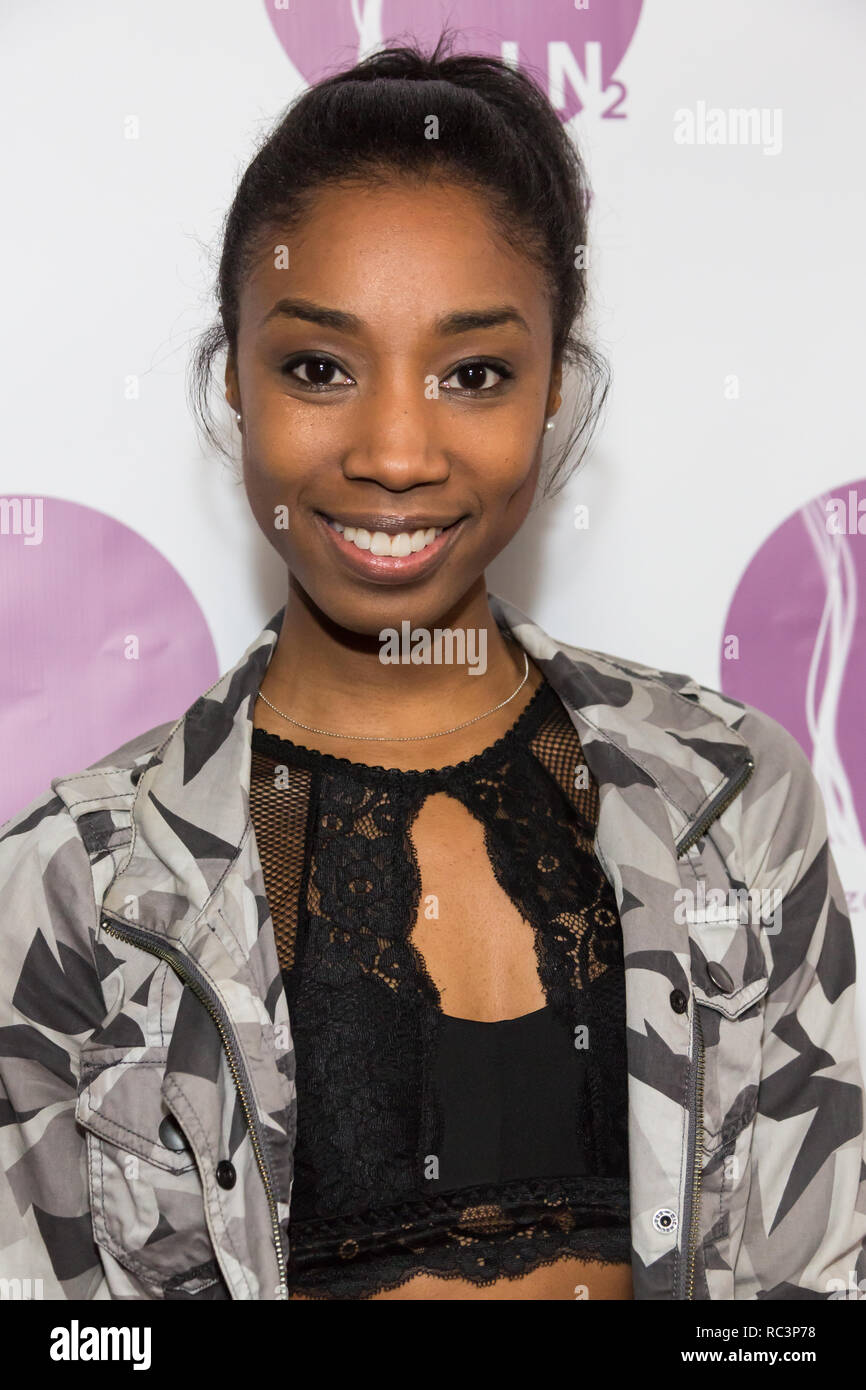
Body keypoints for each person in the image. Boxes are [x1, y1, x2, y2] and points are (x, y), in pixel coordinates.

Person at [1, 31, 865, 1302]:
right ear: (231, 383)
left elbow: (806, 1300)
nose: (395, 450)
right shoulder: (74, 885)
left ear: (554, 393)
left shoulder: (729, 806)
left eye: (473, 373)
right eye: (317, 367)